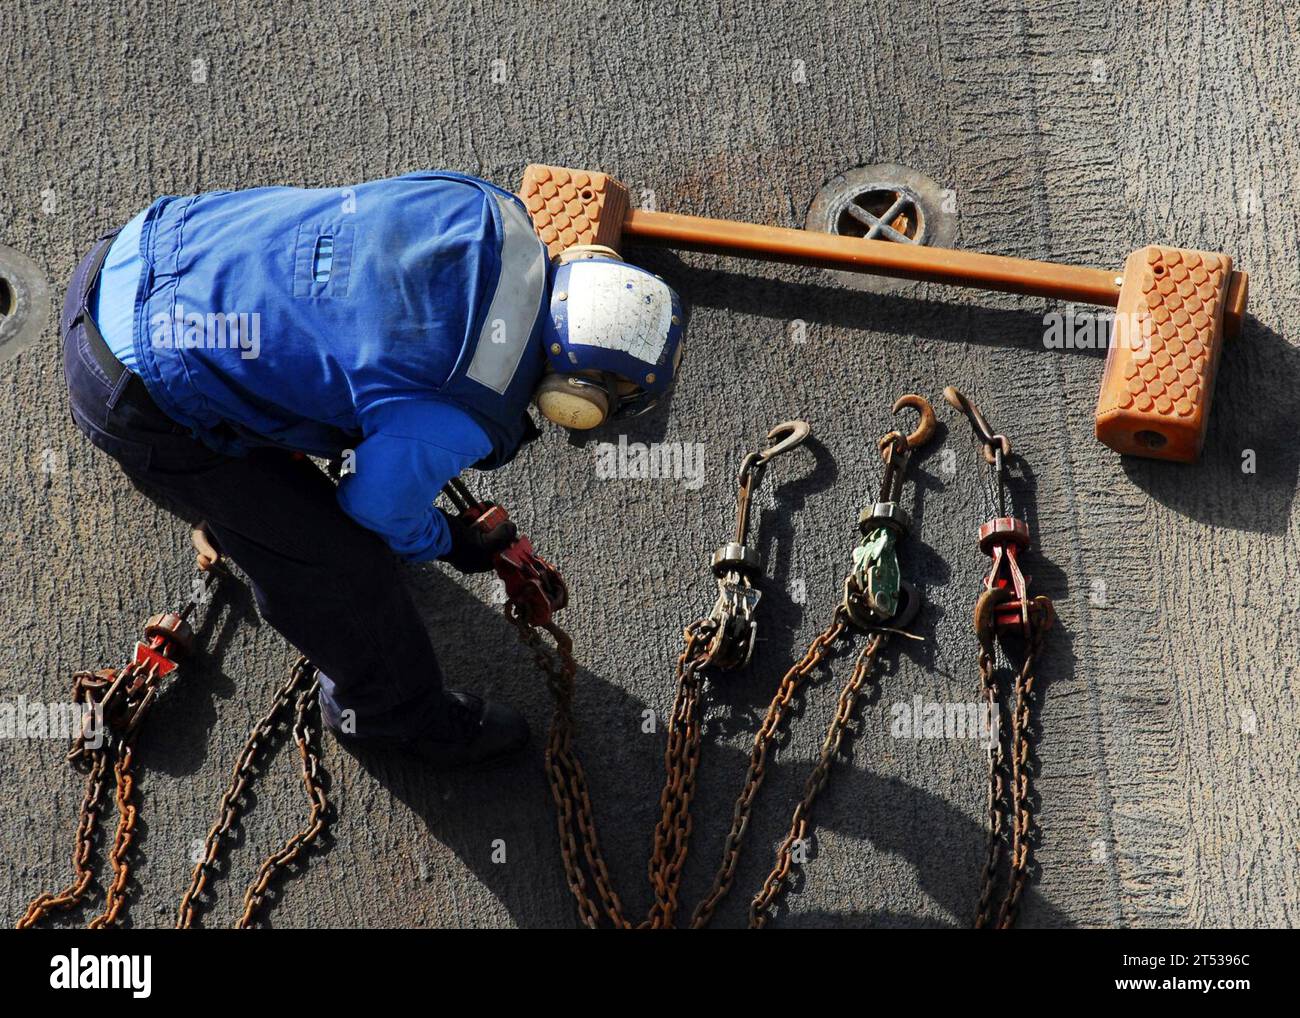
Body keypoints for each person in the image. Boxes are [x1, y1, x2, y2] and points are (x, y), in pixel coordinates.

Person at [60, 170, 686, 767]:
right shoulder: (460, 410)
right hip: (127, 387)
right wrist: (447, 540)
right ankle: (391, 716)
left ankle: (240, 486)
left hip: (141, 252)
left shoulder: (490, 211)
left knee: (323, 373)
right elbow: (375, 507)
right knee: (344, 563)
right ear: (574, 400)